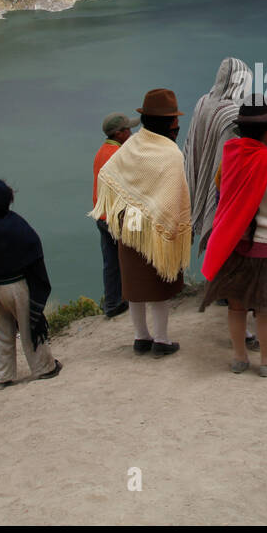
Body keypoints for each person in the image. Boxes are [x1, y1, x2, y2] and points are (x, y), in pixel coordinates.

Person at [200, 98, 267, 377]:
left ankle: (238, 358)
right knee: (265, 307)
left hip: (234, 242)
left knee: (236, 306)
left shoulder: (231, 153)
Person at [91, 89, 192, 358]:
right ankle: (161, 340)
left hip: (130, 220)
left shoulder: (133, 144)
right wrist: (174, 226)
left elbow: (109, 175)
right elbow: (173, 196)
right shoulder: (171, 153)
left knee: (134, 283)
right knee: (158, 284)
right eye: (175, 120)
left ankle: (140, 337)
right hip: (156, 225)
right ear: (171, 123)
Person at [0, 179, 62, 388]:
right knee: (29, 328)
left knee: (1, 332)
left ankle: (3, 376)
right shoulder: (15, 226)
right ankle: (45, 368)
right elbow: (34, 254)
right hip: (17, 287)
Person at [185, 56, 249, 253]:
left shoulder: (203, 101)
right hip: (219, 186)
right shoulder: (232, 114)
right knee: (221, 239)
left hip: (195, 180)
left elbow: (191, 143)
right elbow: (228, 160)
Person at [93, 111, 139, 319]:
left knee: (110, 263)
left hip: (101, 215)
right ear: (118, 133)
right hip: (116, 216)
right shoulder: (119, 155)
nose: (131, 131)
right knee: (130, 259)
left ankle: (112, 304)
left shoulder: (102, 151)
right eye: (127, 129)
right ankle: (136, 297)